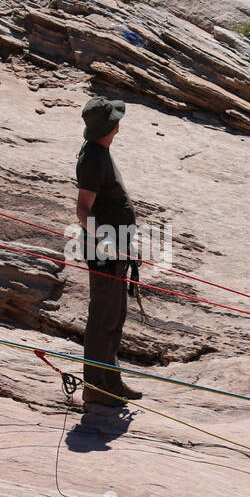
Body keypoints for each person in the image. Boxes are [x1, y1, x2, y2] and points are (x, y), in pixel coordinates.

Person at [76, 96, 142, 407]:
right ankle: (95, 386)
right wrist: (106, 242)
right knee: (102, 317)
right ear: (111, 126)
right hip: (105, 251)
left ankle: (111, 380)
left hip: (116, 247)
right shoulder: (92, 159)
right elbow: (83, 211)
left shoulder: (100, 152)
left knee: (115, 315)